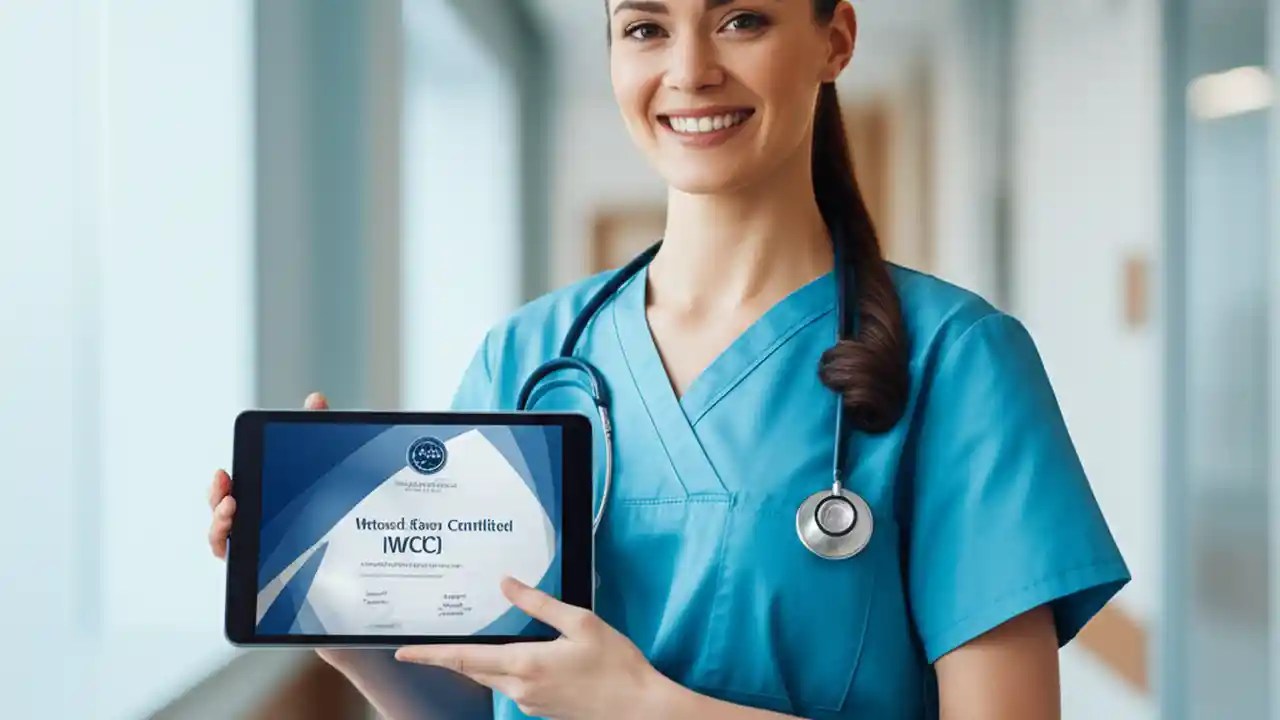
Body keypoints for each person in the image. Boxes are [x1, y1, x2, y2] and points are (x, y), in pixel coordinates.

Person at [207, 0, 1129, 717]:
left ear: (835, 40)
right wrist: (336, 611)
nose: (690, 70)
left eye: (741, 20)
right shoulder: (527, 356)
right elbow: (486, 703)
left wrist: (651, 710)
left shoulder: (958, 362)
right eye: (646, 27)